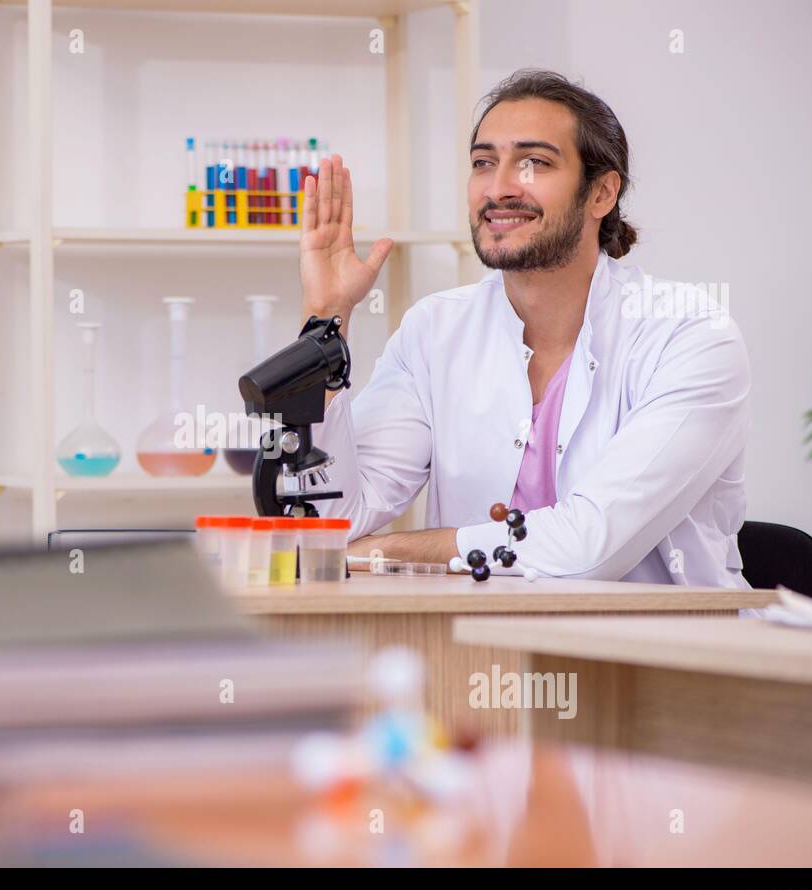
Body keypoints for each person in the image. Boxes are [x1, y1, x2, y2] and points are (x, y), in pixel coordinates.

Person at [300, 69, 752, 590]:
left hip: (664, 658)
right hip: (476, 656)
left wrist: (391, 550)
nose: (499, 188)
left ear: (602, 193)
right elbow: (329, 521)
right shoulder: (435, 329)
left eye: (534, 162)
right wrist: (326, 325)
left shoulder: (689, 335)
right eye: (483, 163)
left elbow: (590, 549)